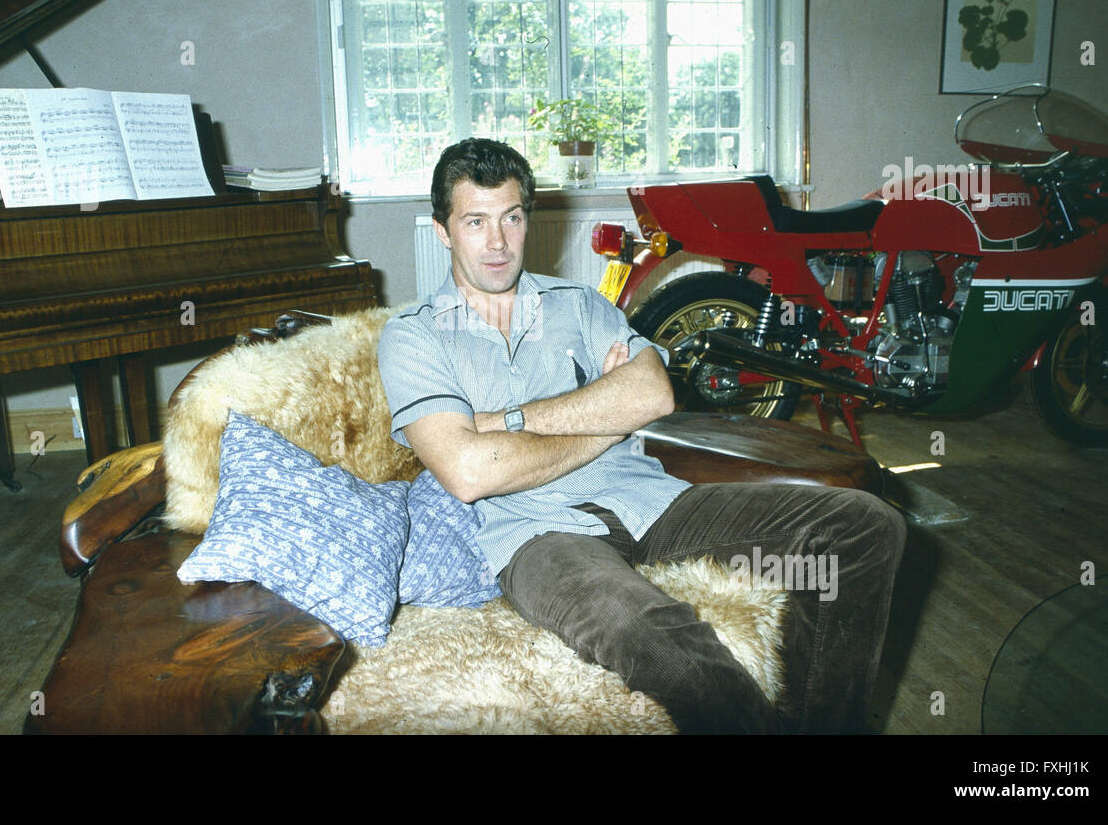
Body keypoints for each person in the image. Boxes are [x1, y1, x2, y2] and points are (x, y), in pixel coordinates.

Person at [377, 137, 906, 733]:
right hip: (537, 533)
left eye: (512, 218)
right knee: (649, 632)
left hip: (652, 501)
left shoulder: (578, 303)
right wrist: (605, 413)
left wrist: (509, 421)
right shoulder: (413, 337)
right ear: (444, 231)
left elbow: (655, 394)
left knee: (863, 524)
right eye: (475, 221)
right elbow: (470, 472)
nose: (498, 242)